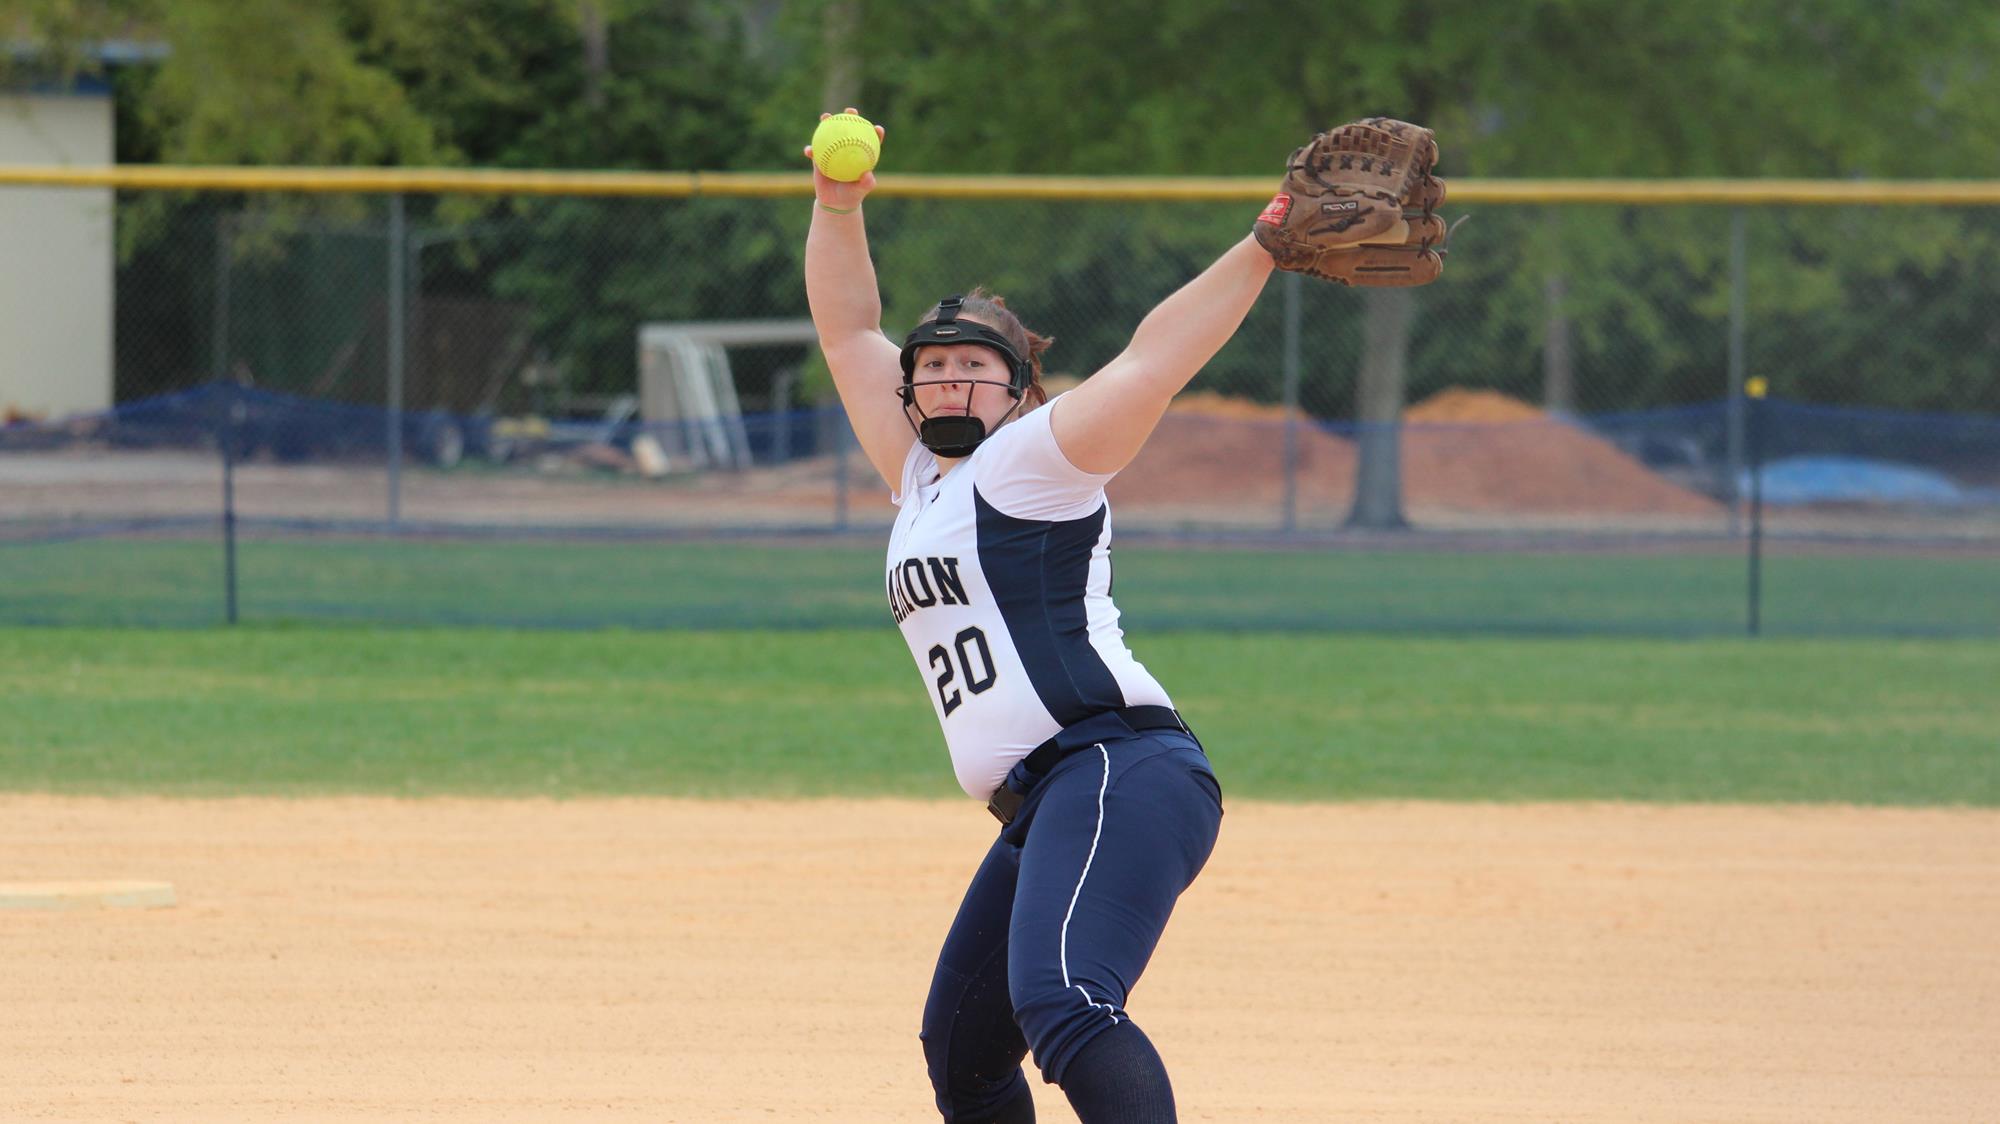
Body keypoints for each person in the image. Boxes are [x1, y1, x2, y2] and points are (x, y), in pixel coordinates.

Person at [804, 108, 1277, 1124]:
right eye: (930, 365)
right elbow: (846, 330)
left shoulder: (1036, 460)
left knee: (1066, 1000)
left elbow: (1153, 361)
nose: (947, 376)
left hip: (1113, 765)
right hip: (1044, 800)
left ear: (1020, 393)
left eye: (976, 365)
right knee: (963, 1049)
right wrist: (837, 203)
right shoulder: (920, 480)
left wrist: (1263, 243)